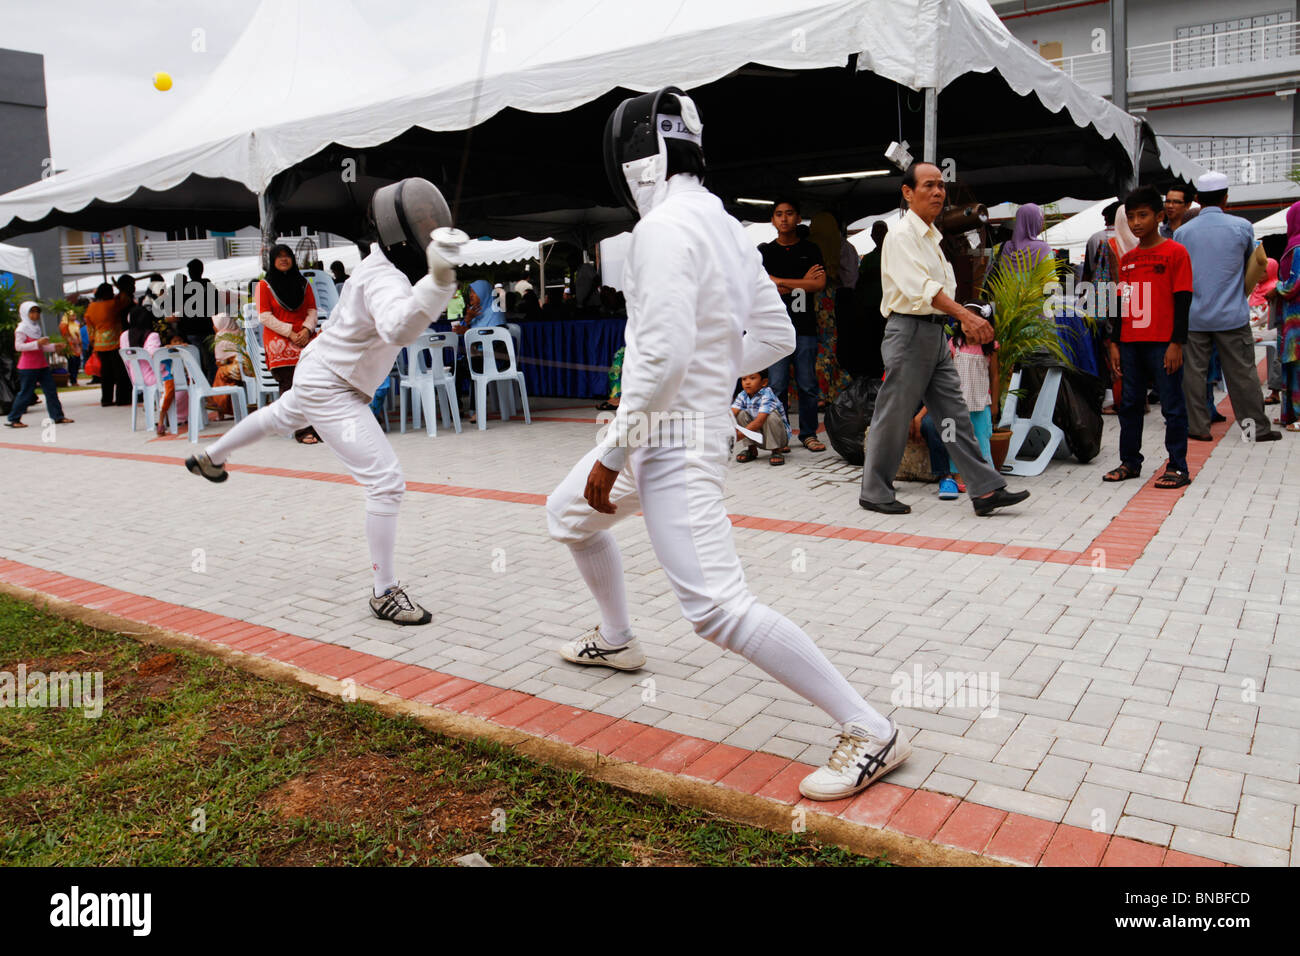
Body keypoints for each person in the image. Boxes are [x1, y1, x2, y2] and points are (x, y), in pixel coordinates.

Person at [547, 85, 911, 802]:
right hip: (675, 427)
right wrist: (714, 368)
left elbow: (663, 359)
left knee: (715, 606)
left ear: (636, 160)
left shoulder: (657, 231)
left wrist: (615, 454)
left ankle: (870, 729)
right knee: (567, 514)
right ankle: (618, 640)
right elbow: (773, 336)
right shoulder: (719, 223)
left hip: (669, 441)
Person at [186, 178, 461, 624]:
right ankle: (384, 591)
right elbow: (398, 329)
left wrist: (434, 281)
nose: (431, 228)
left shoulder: (386, 269)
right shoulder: (384, 277)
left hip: (321, 372)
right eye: (424, 221)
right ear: (401, 229)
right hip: (332, 385)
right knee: (386, 481)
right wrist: (440, 281)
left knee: (278, 415)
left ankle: (212, 456)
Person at [860, 162, 1029, 516]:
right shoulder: (902, 235)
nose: (938, 192)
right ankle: (874, 490)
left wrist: (956, 319)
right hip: (909, 332)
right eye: (929, 186)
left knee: (955, 414)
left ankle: (984, 490)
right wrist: (965, 315)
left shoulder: (933, 239)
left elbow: (941, 291)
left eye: (941, 186)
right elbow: (923, 289)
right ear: (908, 193)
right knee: (893, 414)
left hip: (935, 335)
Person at [1174, 171, 1280, 444]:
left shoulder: (1182, 233)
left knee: (1193, 376)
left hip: (1194, 316)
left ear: (1196, 199)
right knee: (1242, 374)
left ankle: (1198, 428)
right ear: (1226, 199)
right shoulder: (1242, 227)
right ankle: (1254, 430)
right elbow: (1252, 264)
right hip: (1231, 314)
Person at [1102, 186, 1193, 488]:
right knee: (1129, 404)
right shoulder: (1127, 259)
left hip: (1163, 344)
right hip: (1130, 343)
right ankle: (1130, 462)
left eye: (1143, 215)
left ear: (1158, 216)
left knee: (1172, 405)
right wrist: (1115, 342)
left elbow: (1183, 301)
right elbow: (1121, 301)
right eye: (1131, 217)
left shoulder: (1176, 253)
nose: (1137, 222)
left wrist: (1176, 343)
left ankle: (1178, 467)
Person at [760, 197, 827, 453]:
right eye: (779, 214)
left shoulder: (811, 249)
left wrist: (780, 283)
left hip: (804, 326)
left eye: (789, 213)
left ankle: (809, 434)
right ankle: (781, 434)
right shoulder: (765, 251)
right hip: (775, 328)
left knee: (807, 383)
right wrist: (800, 282)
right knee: (777, 385)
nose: (784, 218)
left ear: (799, 218)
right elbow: (764, 286)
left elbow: (818, 285)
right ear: (773, 219)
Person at [256, 244, 320, 444]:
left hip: (304, 337)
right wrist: (291, 333)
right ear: (272, 261)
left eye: (287, 256)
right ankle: (302, 430)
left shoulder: (303, 284)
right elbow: (264, 316)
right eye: (279, 256)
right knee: (291, 385)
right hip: (280, 341)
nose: (284, 260)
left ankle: (319, 428)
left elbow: (312, 310)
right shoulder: (264, 286)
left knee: (314, 384)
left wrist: (306, 330)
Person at [5, 302, 72, 429]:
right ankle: (14, 418)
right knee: (26, 393)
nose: (35, 315)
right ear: (25, 313)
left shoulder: (36, 327)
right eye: (32, 312)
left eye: (37, 312)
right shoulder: (21, 329)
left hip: (42, 365)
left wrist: (54, 346)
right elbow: (18, 347)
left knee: (51, 391)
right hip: (28, 367)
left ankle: (58, 416)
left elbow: (40, 347)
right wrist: (37, 343)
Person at [808, 211, 850, 405]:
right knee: (831, 342)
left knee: (818, 344)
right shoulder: (839, 245)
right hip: (833, 295)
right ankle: (834, 389)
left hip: (813, 295)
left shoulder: (810, 247)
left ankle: (821, 392)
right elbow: (850, 279)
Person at [82, 280, 133, 406]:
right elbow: (126, 299)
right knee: (120, 371)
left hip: (100, 343)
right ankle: (122, 398)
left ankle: (106, 399)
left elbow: (90, 327)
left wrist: (93, 341)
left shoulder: (91, 307)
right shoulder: (113, 304)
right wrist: (120, 289)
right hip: (115, 341)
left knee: (106, 373)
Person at [1273, 202, 1300, 430]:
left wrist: (1277, 287)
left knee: (1297, 366)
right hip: (1292, 317)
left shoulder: (1299, 247)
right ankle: (1289, 415)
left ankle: (1298, 418)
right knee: (1291, 365)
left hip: (1297, 318)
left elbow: (1294, 284)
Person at [731, 370, 791, 465]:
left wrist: (736, 436)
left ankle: (776, 450)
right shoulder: (742, 395)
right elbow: (731, 414)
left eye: (752, 378)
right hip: (758, 436)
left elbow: (759, 422)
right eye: (744, 379)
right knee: (740, 414)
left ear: (764, 382)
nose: (747, 382)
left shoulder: (767, 394)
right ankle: (752, 449)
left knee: (771, 416)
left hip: (779, 437)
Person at [177, 259, 216, 383]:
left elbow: (179, 308)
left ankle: (199, 386)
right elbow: (215, 307)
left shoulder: (184, 289)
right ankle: (212, 386)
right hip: (207, 328)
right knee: (211, 362)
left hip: (191, 330)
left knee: (195, 361)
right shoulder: (209, 286)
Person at [209, 312, 245, 420]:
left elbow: (220, 361)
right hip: (247, 367)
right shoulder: (239, 332)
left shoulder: (221, 336)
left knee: (220, 373)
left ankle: (219, 406)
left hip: (237, 369)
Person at [58, 307, 82, 386]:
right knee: (72, 363)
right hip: (70, 347)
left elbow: (78, 334)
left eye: (75, 315)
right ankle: (73, 380)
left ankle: (74, 379)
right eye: (72, 315)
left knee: (77, 363)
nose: (74, 317)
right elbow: (66, 336)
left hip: (77, 346)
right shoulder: (64, 325)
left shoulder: (76, 324)